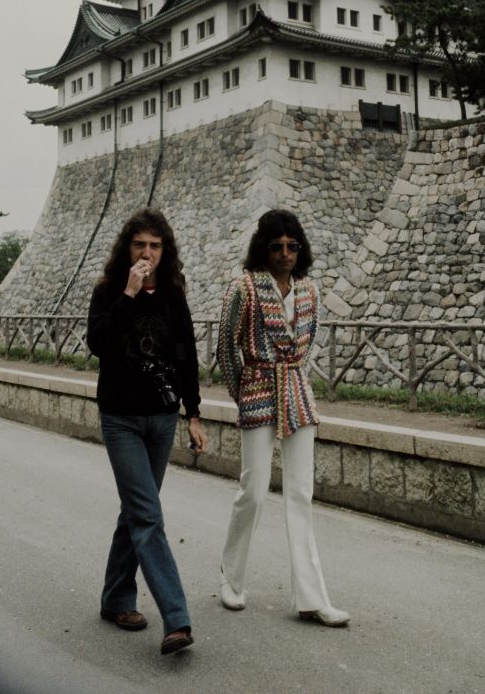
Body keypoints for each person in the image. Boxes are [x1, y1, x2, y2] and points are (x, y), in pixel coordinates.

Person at [217, 209, 349, 627]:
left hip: (296, 391)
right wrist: (244, 393)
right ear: (264, 248)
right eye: (277, 246)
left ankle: (311, 598)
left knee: (300, 494)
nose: (286, 253)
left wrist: (291, 378)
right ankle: (231, 578)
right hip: (258, 388)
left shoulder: (309, 291)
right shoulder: (244, 289)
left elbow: (305, 348)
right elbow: (226, 345)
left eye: (293, 246)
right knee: (252, 490)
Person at [87, 208, 207, 656]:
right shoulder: (109, 292)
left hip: (161, 418)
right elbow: (97, 343)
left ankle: (116, 598)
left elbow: (186, 358)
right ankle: (176, 618)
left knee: (137, 513)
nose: (147, 253)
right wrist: (129, 295)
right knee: (148, 515)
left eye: (155, 246)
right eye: (140, 245)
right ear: (127, 249)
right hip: (119, 417)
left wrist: (193, 414)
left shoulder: (174, 297)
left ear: (165, 251)